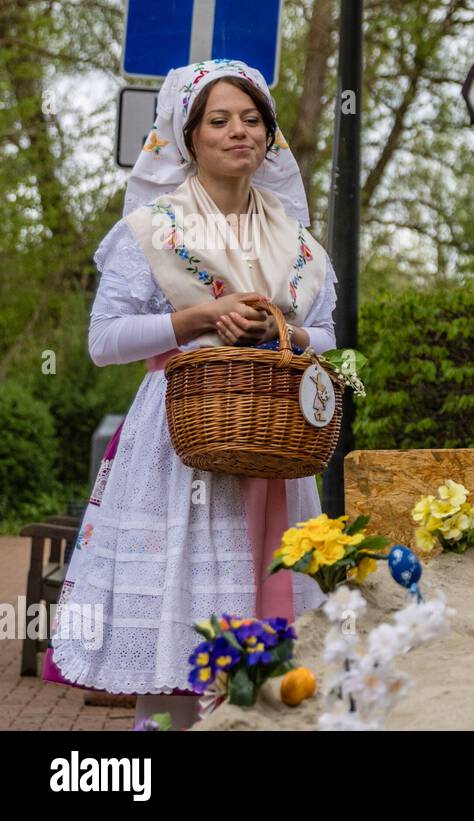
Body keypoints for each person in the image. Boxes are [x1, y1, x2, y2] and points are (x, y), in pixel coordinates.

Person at [44, 59, 337, 727]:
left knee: (264, 630)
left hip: (272, 441)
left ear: (269, 134)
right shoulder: (153, 231)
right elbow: (103, 339)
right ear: (188, 136)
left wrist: (280, 327)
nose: (241, 131)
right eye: (220, 119)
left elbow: (325, 339)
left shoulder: (299, 246)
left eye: (253, 119)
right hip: (180, 445)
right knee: (179, 615)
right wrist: (199, 318)